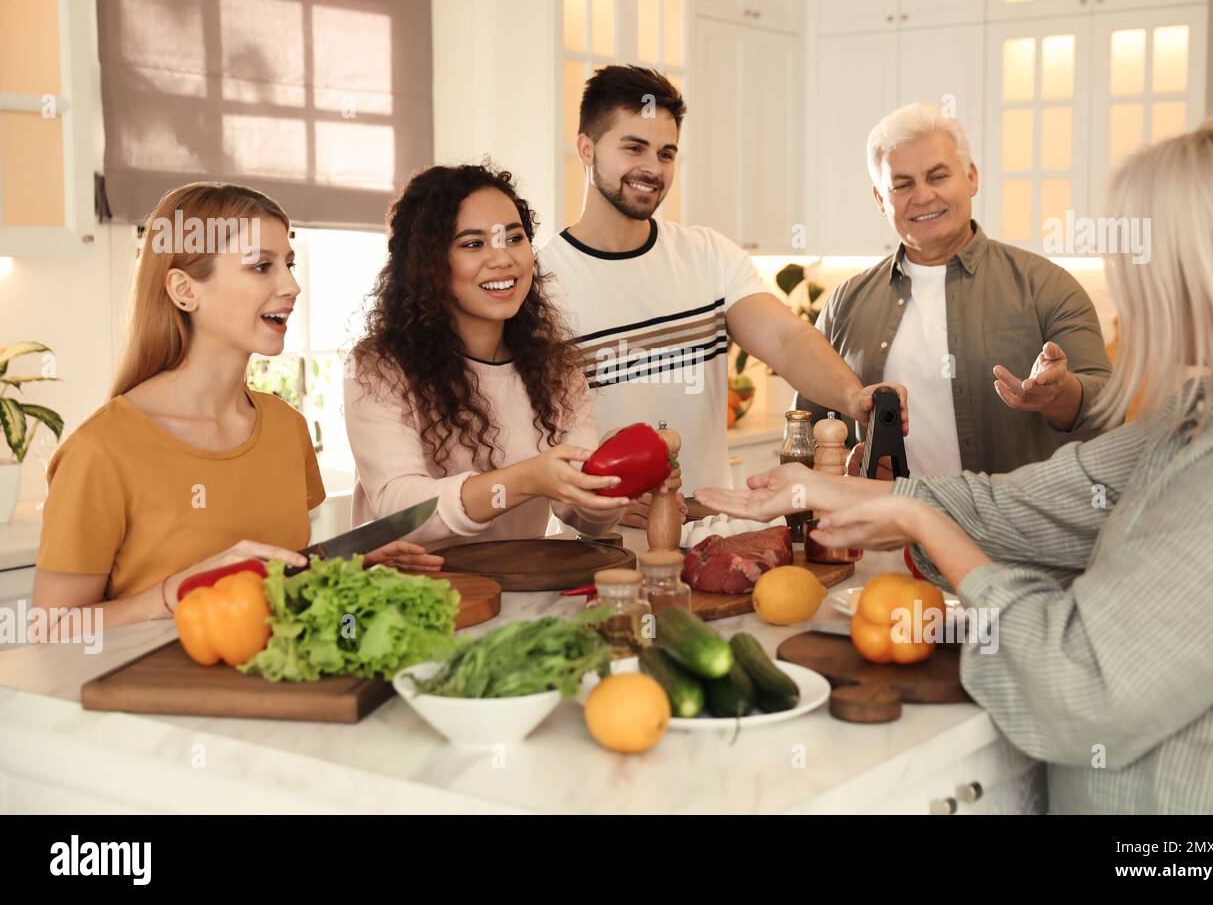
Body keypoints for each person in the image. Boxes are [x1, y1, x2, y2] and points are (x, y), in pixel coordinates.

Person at [699, 117, 1213, 813]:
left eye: (1138, 259)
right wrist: (834, 489)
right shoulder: (1204, 408)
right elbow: (1037, 501)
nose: (1129, 283)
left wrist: (920, 518)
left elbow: (1078, 685)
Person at [33, 183, 438, 631]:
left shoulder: (286, 428)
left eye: (288, 264)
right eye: (261, 266)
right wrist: (177, 591)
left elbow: (268, 580)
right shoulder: (100, 452)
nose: (292, 285)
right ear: (184, 290)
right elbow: (51, 628)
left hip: (276, 672)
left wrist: (337, 568)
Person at [536, 65, 896, 524]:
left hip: (710, 531)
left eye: (666, 153)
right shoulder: (540, 284)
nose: (652, 168)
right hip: (601, 543)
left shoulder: (708, 255)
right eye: (634, 148)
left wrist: (853, 398)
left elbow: (786, 339)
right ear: (586, 149)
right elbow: (537, 445)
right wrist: (596, 505)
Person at [798, 103, 1111, 479]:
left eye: (938, 176)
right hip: (882, 517)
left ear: (971, 177)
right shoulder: (844, 303)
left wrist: (1061, 395)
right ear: (881, 199)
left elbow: (1108, 411)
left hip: (1005, 518)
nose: (923, 196)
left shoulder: (1047, 286)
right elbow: (807, 428)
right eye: (902, 184)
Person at [345, 163, 631, 547]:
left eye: (514, 238)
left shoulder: (557, 372)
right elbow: (401, 514)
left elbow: (583, 519)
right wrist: (526, 480)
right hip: (409, 583)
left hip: (519, 582)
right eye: (473, 244)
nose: (503, 259)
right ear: (426, 264)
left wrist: (609, 478)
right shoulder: (379, 368)